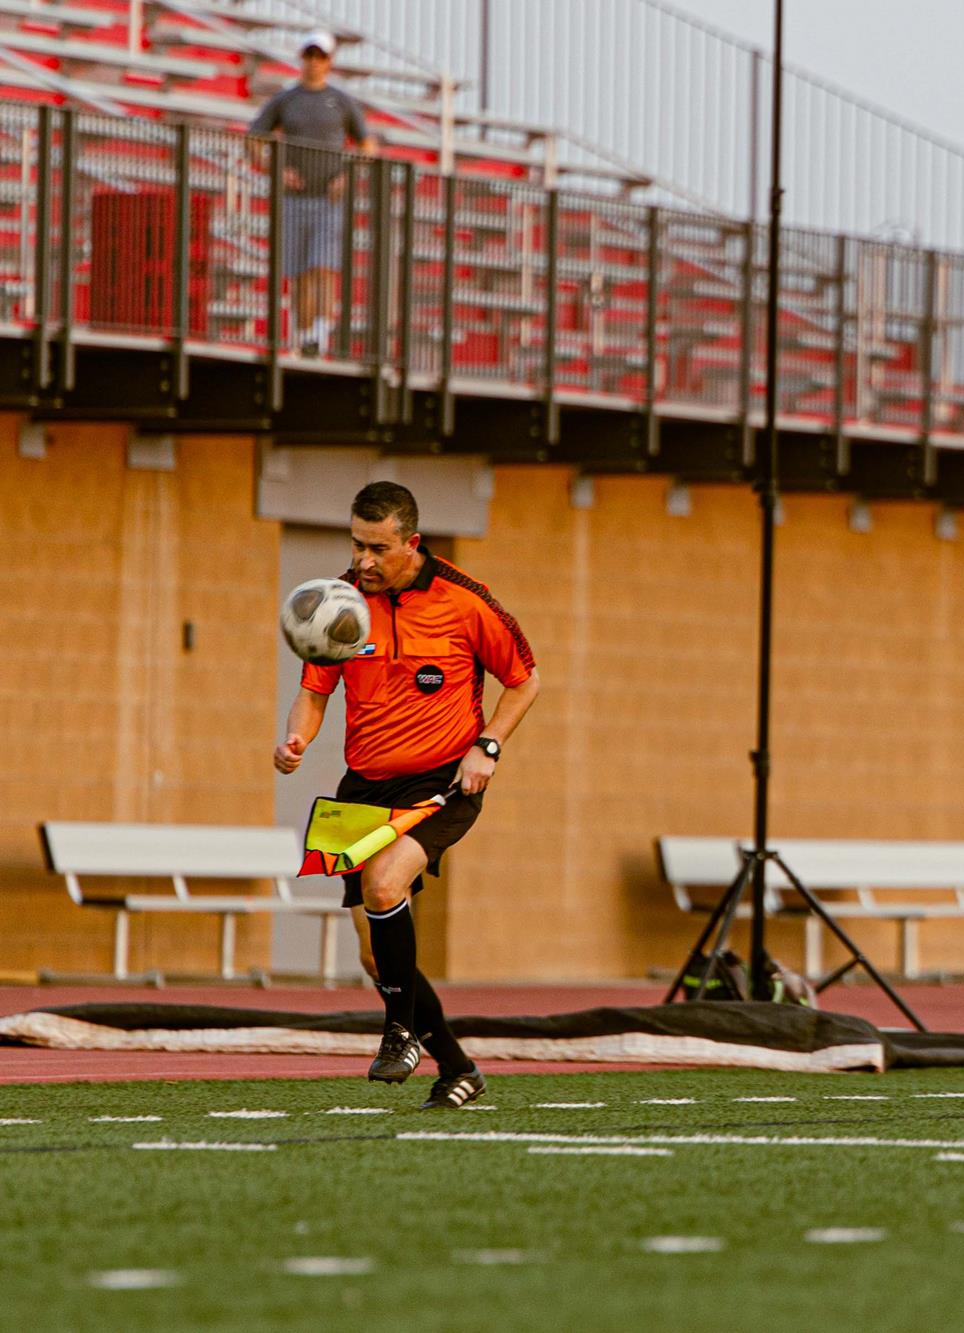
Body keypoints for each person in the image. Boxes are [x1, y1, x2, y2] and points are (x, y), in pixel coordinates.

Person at [274, 481, 540, 1108]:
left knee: (386, 885)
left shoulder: (466, 602)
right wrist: (296, 739)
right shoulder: (337, 603)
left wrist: (489, 746)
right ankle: (458, 1068)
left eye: (376, 548)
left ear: (410, 543)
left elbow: (524, 682)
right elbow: (315, 691)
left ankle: (398, 1032)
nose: (362, 561)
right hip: (363, 787)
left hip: (442, 780)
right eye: (355, 544)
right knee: (374, 956)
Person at [248, 29, 378, 356]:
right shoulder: (287, 100)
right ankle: (303, 334)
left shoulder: (341, 101)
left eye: (320, 57)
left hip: (328, 199)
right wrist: (273, 168)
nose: (314, 63)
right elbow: (254, 137)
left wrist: (347, 175)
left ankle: (320, 332)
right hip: (295, 198)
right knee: (302, 272)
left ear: (329, 62)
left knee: (323, 268)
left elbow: (367, 144)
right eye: (309, 56)